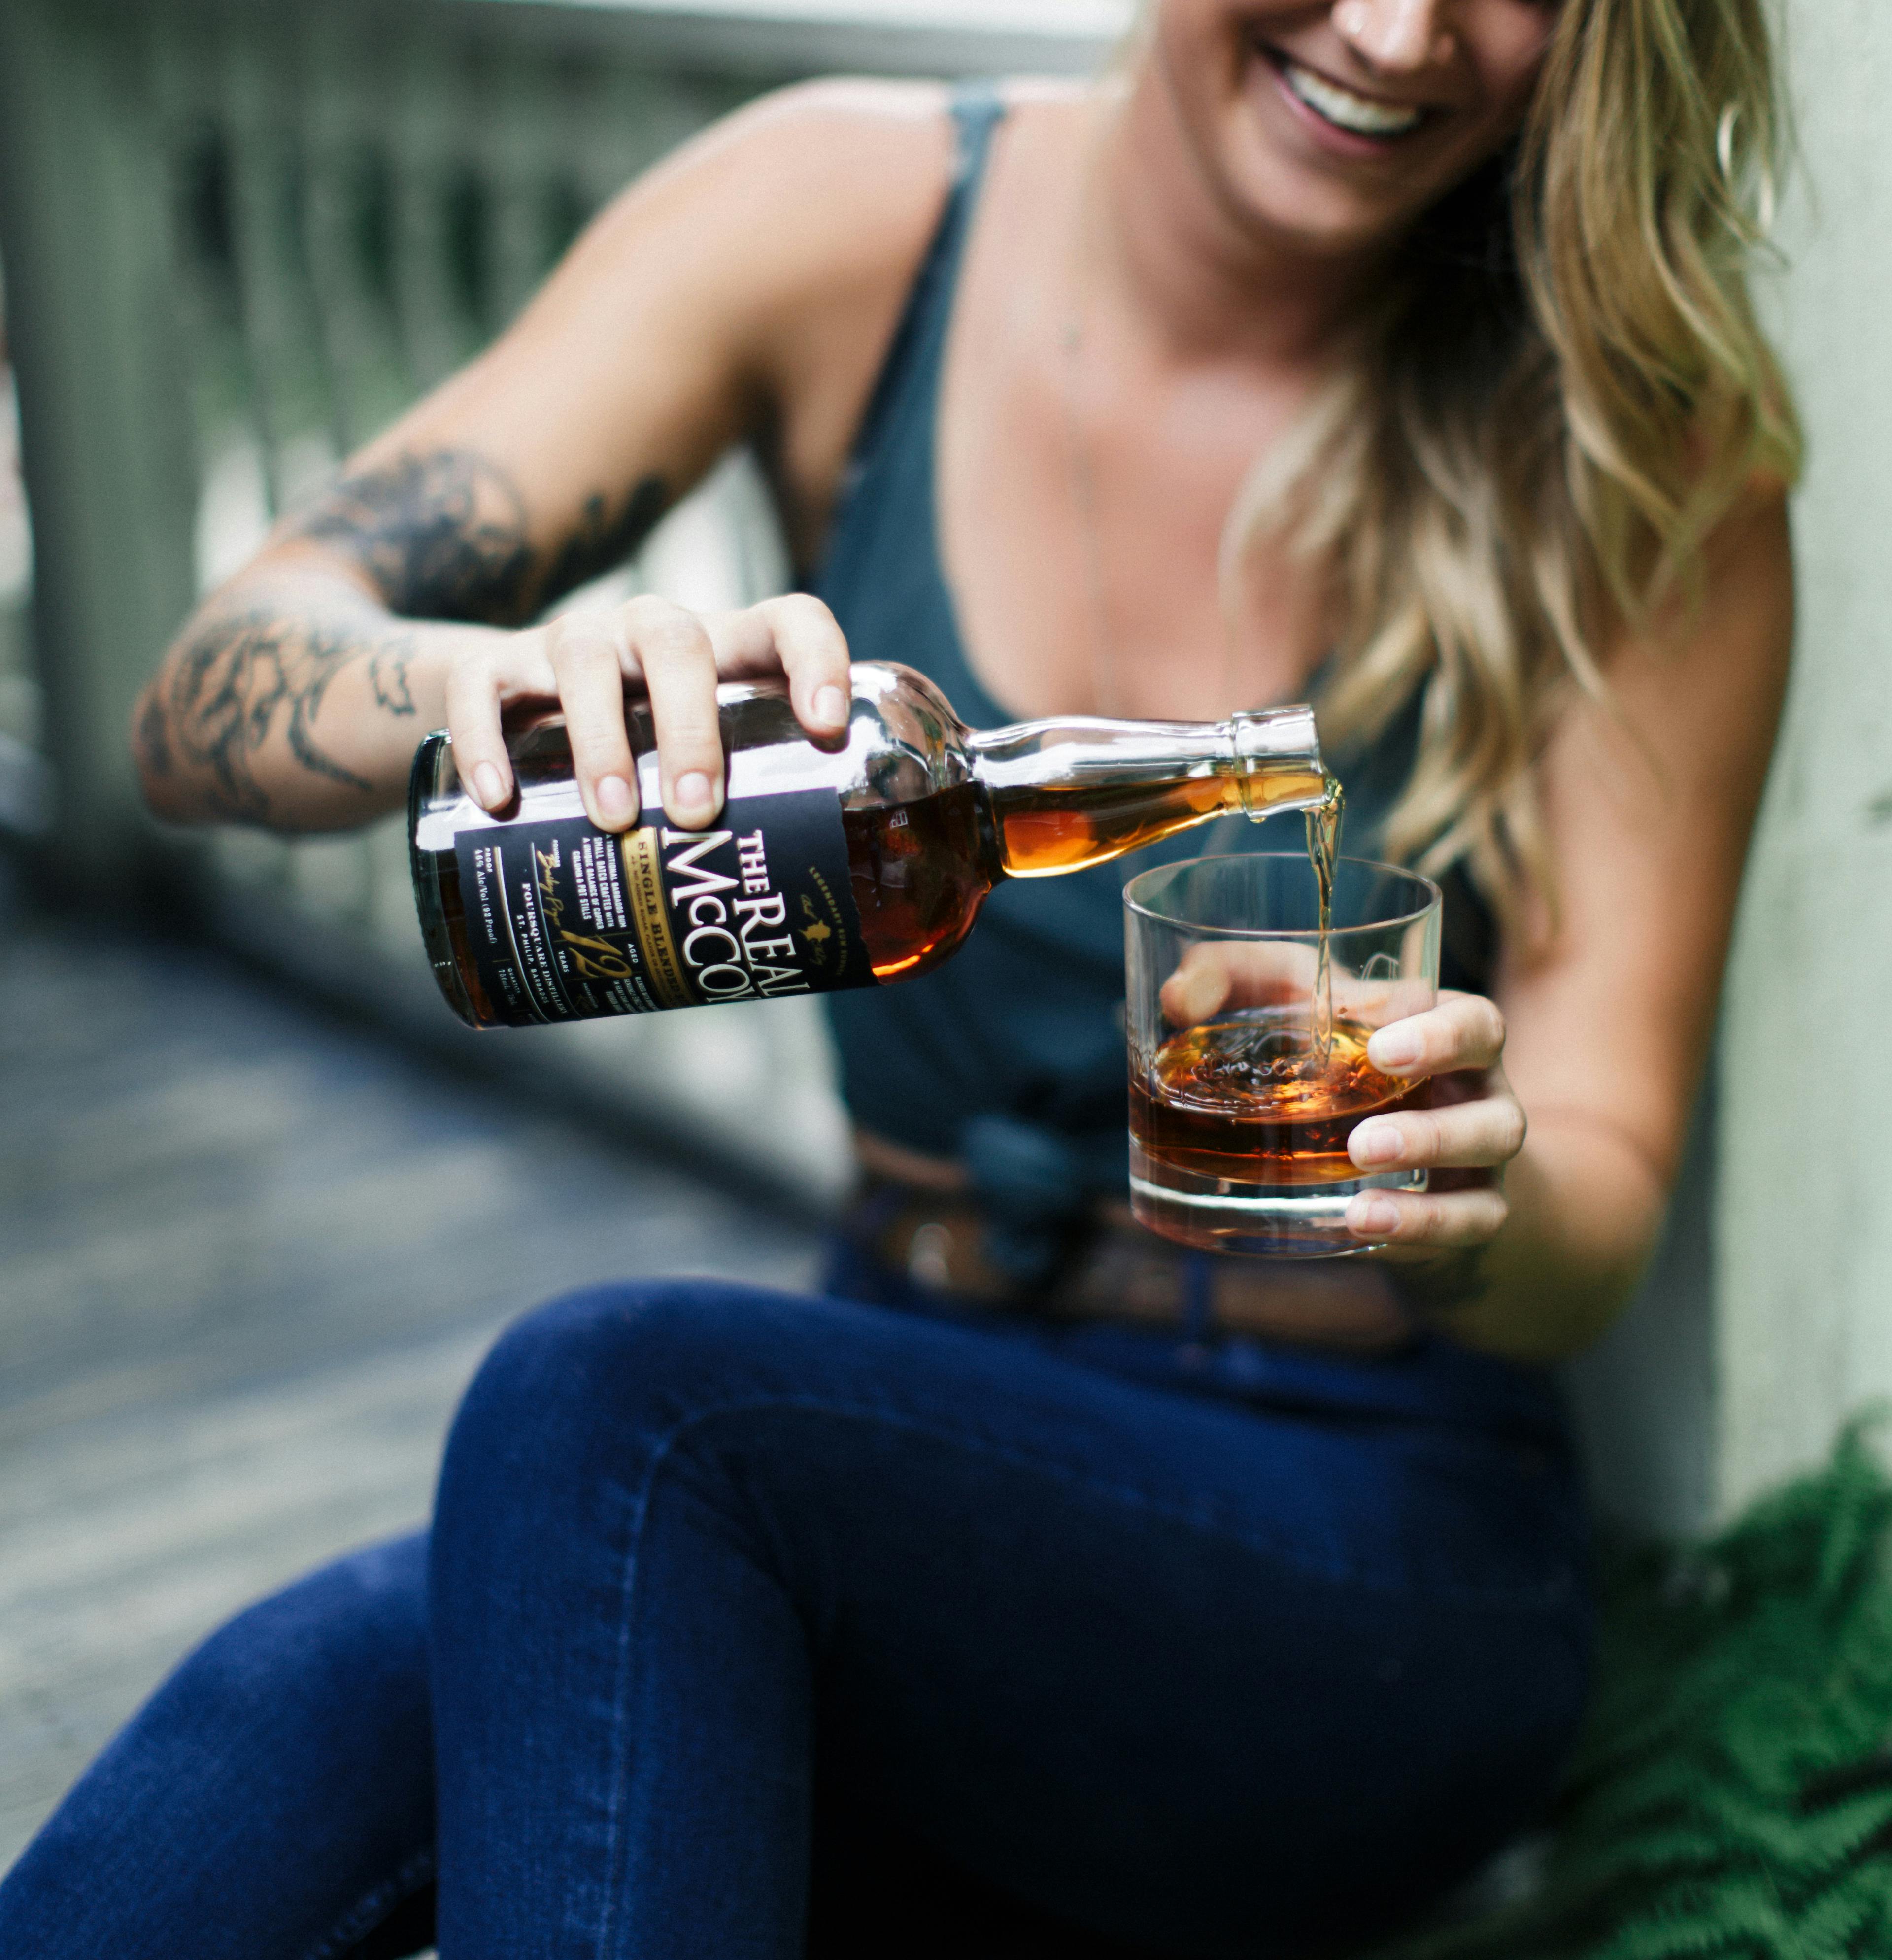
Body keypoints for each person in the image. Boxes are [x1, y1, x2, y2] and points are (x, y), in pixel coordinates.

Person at [1, 0, 1797, 1954]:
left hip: (1364, 1542)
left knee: (617, 1400)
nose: (1396, 29)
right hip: (901, 1436)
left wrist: (1471, 1189)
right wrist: (466, 687)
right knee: (322, 1688)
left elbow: (1600, 1196)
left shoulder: (1635, 434)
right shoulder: (850, 215)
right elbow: (200, 700)